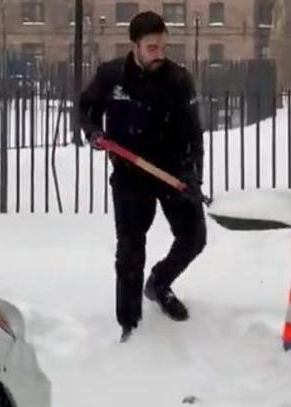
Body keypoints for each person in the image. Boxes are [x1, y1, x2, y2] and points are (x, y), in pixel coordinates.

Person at [79, 11, 206, 343]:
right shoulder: (112, 76)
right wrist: (93, 132)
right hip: (130, 174)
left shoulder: (178, 80)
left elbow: (194, 134)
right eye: (152, 47)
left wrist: (193, 176)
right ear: (135, 45)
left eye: (163, 47)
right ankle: (129, 325)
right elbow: (86, 108)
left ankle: (159, 282)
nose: (159, 54)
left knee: (194, 238)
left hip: (172, 170)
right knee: (130, 250)